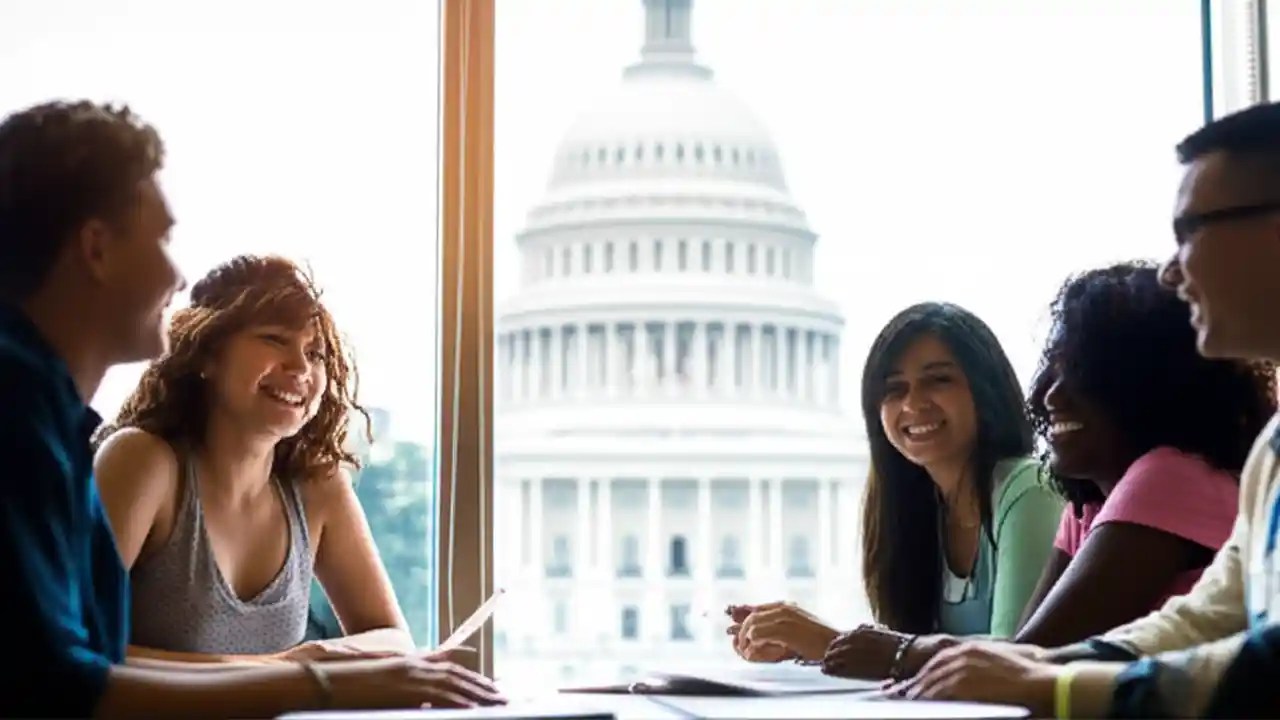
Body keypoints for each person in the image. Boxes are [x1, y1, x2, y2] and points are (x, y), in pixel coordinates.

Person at [0, 99, 501, 717]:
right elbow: (58, 683)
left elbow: (73, 663)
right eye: (161, 238)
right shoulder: (24, 419)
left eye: (313, 353)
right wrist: (309, 675)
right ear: (96, 249)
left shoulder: (50, 420)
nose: (178, 277)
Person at [888, 101, 1280, 718]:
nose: (1173, 272)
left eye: (1191, 232)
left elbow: (1270, 665)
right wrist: (1043, 667)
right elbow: (1210, 614)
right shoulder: (1273, 449)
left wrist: (1050, 681)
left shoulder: (1169, 474)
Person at [823, 263, 1276, 681]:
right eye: (1053, 373)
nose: (1050, 397)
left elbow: (1032, 657)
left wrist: (898, 653)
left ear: (1149, 385)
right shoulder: (1088, 505)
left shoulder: (1168, 477)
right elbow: (1022, 654)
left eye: (1081, 375)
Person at [93, 254, 421, 663]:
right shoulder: (143, 462)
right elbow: (74, 656)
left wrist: (310, 658)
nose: (301, 367)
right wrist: (281, 670)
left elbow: (393, 641)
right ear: (206, 355)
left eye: (316, 353)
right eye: (274, 339)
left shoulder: (315, 484)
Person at [728, 302, 1063, 679]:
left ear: (985, 390)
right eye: (893, 389)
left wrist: (835, 643)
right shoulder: (917, 509)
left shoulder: (1029, 490)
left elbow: (1017, 661)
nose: (913, 404)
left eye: (938, 380)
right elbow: (917, 663)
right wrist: (808, 647)